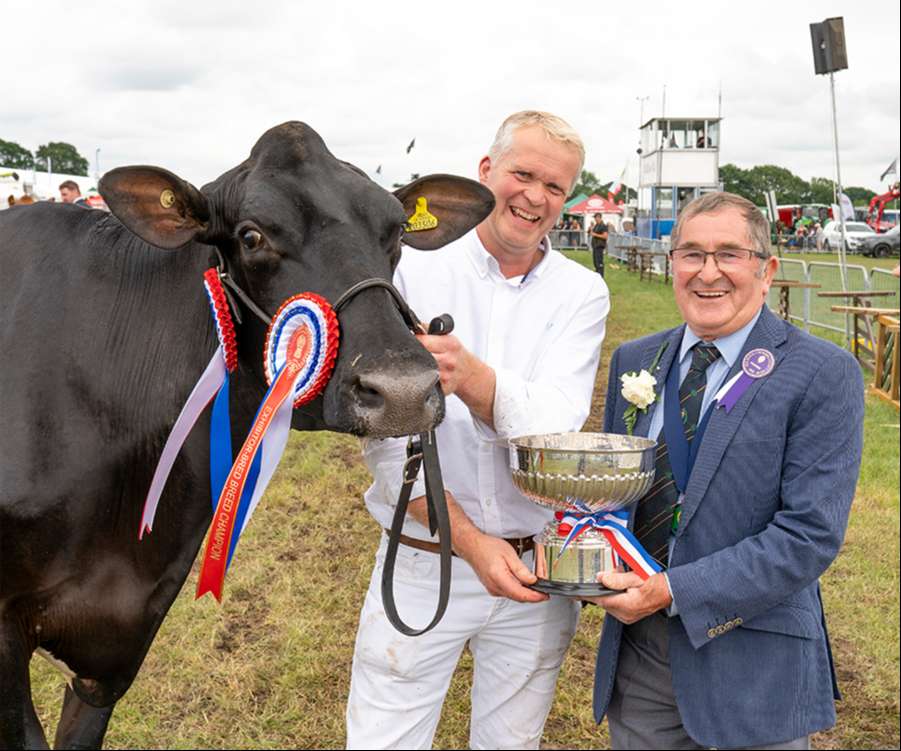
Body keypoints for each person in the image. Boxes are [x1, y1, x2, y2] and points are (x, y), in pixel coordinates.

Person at [346, 111, 610, 750]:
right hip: (425, 554)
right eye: (523, 174)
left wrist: (471, 378)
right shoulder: (408, 268)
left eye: (555, 187)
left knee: (512, 741)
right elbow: (384, 438)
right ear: (485, 171)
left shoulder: (583, 293)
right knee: (385, 738)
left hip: (536, 564)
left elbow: (556, 428)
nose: (535, 197)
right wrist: (469, 541)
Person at [589, 191, 864, 750]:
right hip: (641, 660)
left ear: (767, 271)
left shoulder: (823, 372)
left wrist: (672, 589)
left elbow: (809, 535)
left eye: (729, 255)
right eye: (691, 254)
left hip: (752, 659)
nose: (707, 272)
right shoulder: (635, 360)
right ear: (672, 266)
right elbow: (613, 496)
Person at [590, 212, 608, 276]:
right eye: (594, 218)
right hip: (595, 246)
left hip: (599, 246)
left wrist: (595, 234)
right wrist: (591, 228)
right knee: (596, 263)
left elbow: (605, 236)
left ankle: (601, 276)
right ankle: (597, 276)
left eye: (595, 217)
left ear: (599, 217)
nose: (595, 219)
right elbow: (591, 233)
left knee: (599, 263)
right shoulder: (596, 225)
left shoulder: (603, 226)